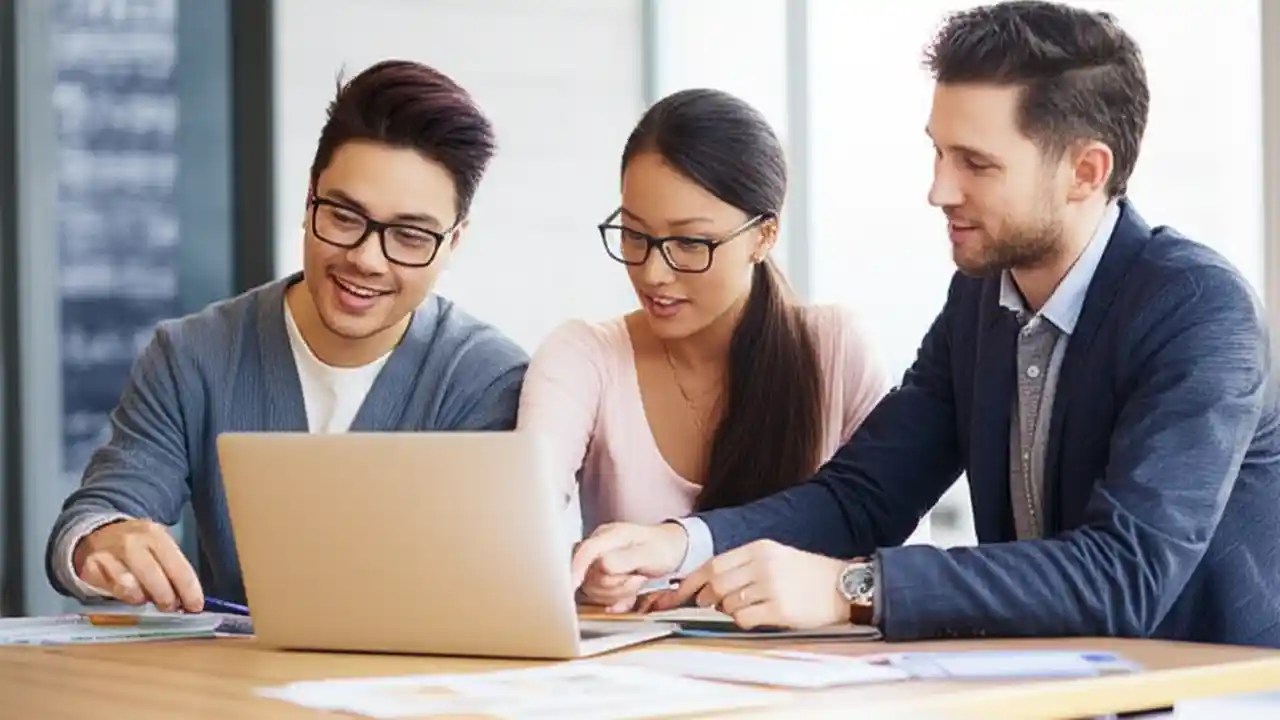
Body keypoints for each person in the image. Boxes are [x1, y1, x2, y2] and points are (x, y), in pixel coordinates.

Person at [570, 0, 1280, 647]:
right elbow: (864, 496)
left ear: (1086, 172)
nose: (939, 189)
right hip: (1054, 688)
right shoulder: (980, 299)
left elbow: (1125, 576)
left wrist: (854, 588)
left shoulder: (1198, 311)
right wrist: (680, 542)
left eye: (976, 164)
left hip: (1218, 697)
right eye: (938, 152)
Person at [46, 60, 528, 612]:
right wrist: (104, 541)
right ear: (309, 199)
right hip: (230, 667)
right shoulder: (193, 356)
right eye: (344, 217)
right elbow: (95, 516)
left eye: (410, 236)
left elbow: (490, 583)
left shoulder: (487, 381)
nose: (367, 259)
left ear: (454, 242)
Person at [517, 90, 902, 610]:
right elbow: (521, 524)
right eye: (634, 235)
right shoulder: (584, 357)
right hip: (640, 661)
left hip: (808, 659)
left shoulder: (835, 351)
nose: (653, 273)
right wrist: (584, 571)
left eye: (690, 244)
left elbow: (894, 559)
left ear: (763, 236)